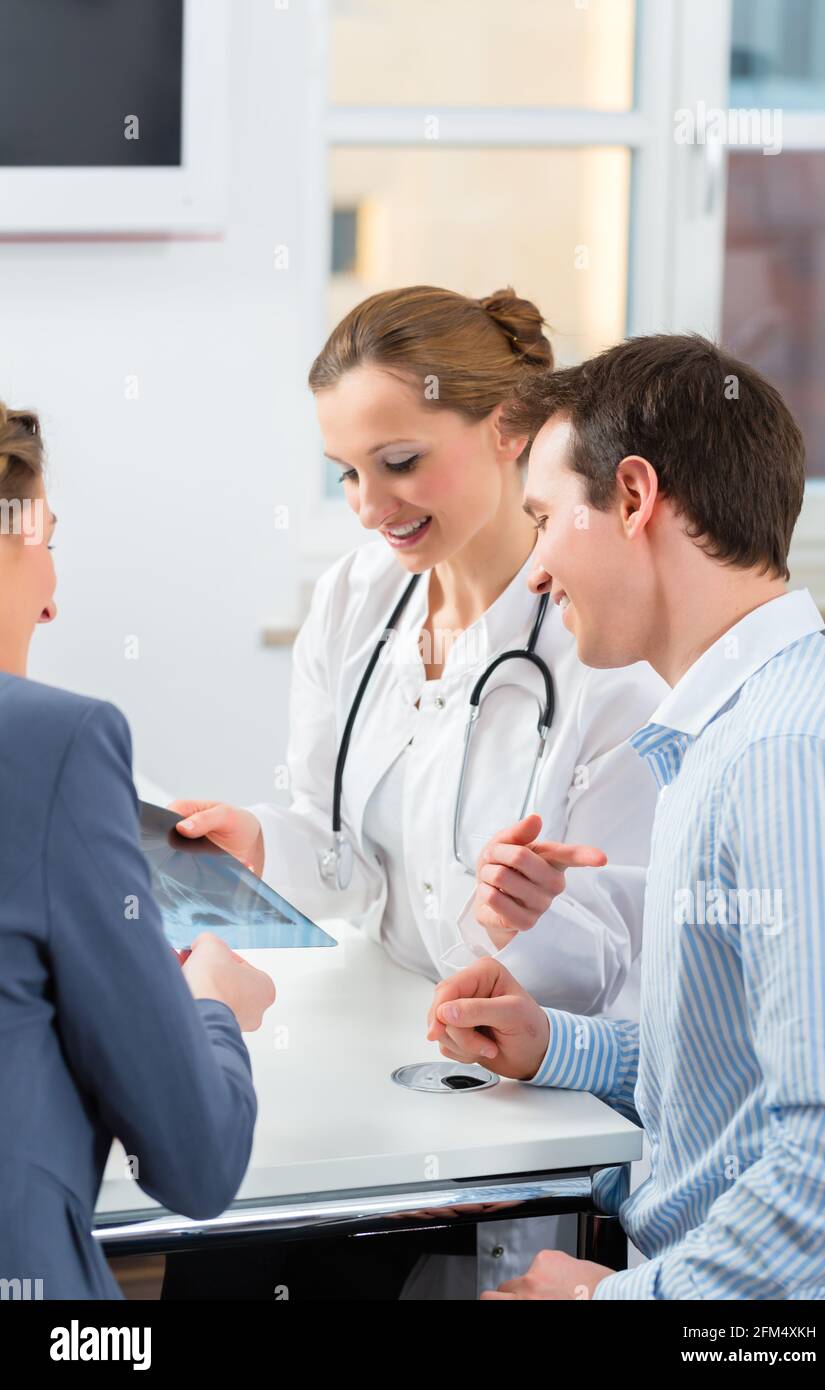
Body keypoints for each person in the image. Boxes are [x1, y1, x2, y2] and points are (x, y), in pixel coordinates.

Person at [167, 286, 666, 1299]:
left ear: (506, 426)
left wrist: (524, 918)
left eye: (398, 463)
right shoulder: (357, 597)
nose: (368, 504)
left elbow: (620, 963)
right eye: (345, 473)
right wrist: (261, 840)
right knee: (229, 1238)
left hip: (533, 1098)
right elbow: (342, 855)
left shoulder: (605, 653)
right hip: (385, 1037)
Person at [426, 332, 825, 1300]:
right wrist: (557, 1042)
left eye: (543, 518)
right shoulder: (724, 735)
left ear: (632, 497)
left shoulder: (778, 757)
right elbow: (737, 1087)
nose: (535, 570)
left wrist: (610, 1307)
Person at [0, 403, 275, 1300]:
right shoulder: (57, 742)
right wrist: (210, 1004)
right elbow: (196, 1162)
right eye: (49, 544)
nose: (52, 598)